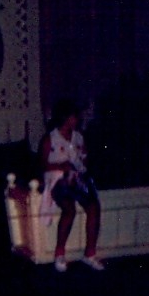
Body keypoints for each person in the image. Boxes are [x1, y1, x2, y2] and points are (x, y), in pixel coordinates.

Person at [40, 99, 103, 272]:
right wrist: (62, 166)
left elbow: (84, 161)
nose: (76, 120)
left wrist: (83, 158)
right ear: (65, 117)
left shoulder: (78, 137)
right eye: (73, 116)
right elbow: (43, 165)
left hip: (77, 177)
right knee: (69, 209)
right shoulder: (50, 139)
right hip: (57, 179)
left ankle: (90, 254)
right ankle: (59, 254)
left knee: (93, 207)